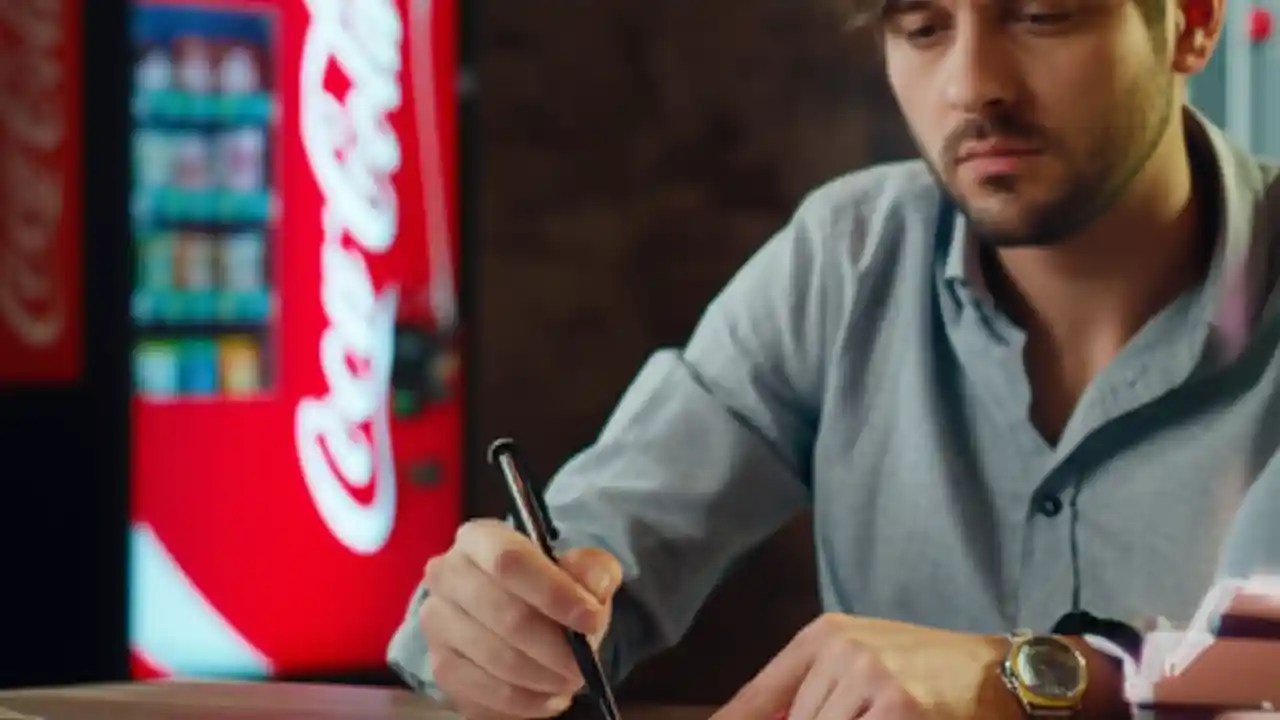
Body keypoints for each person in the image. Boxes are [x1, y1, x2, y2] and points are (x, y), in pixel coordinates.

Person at [387, 0, 1280, 713]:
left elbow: (1267, 661)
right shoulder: (849, 257)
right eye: (922, 26)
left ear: (1192, 23)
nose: (973, 85)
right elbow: (607, 535)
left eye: (1042, 15)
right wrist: (501, 624)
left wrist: (1022, 680)